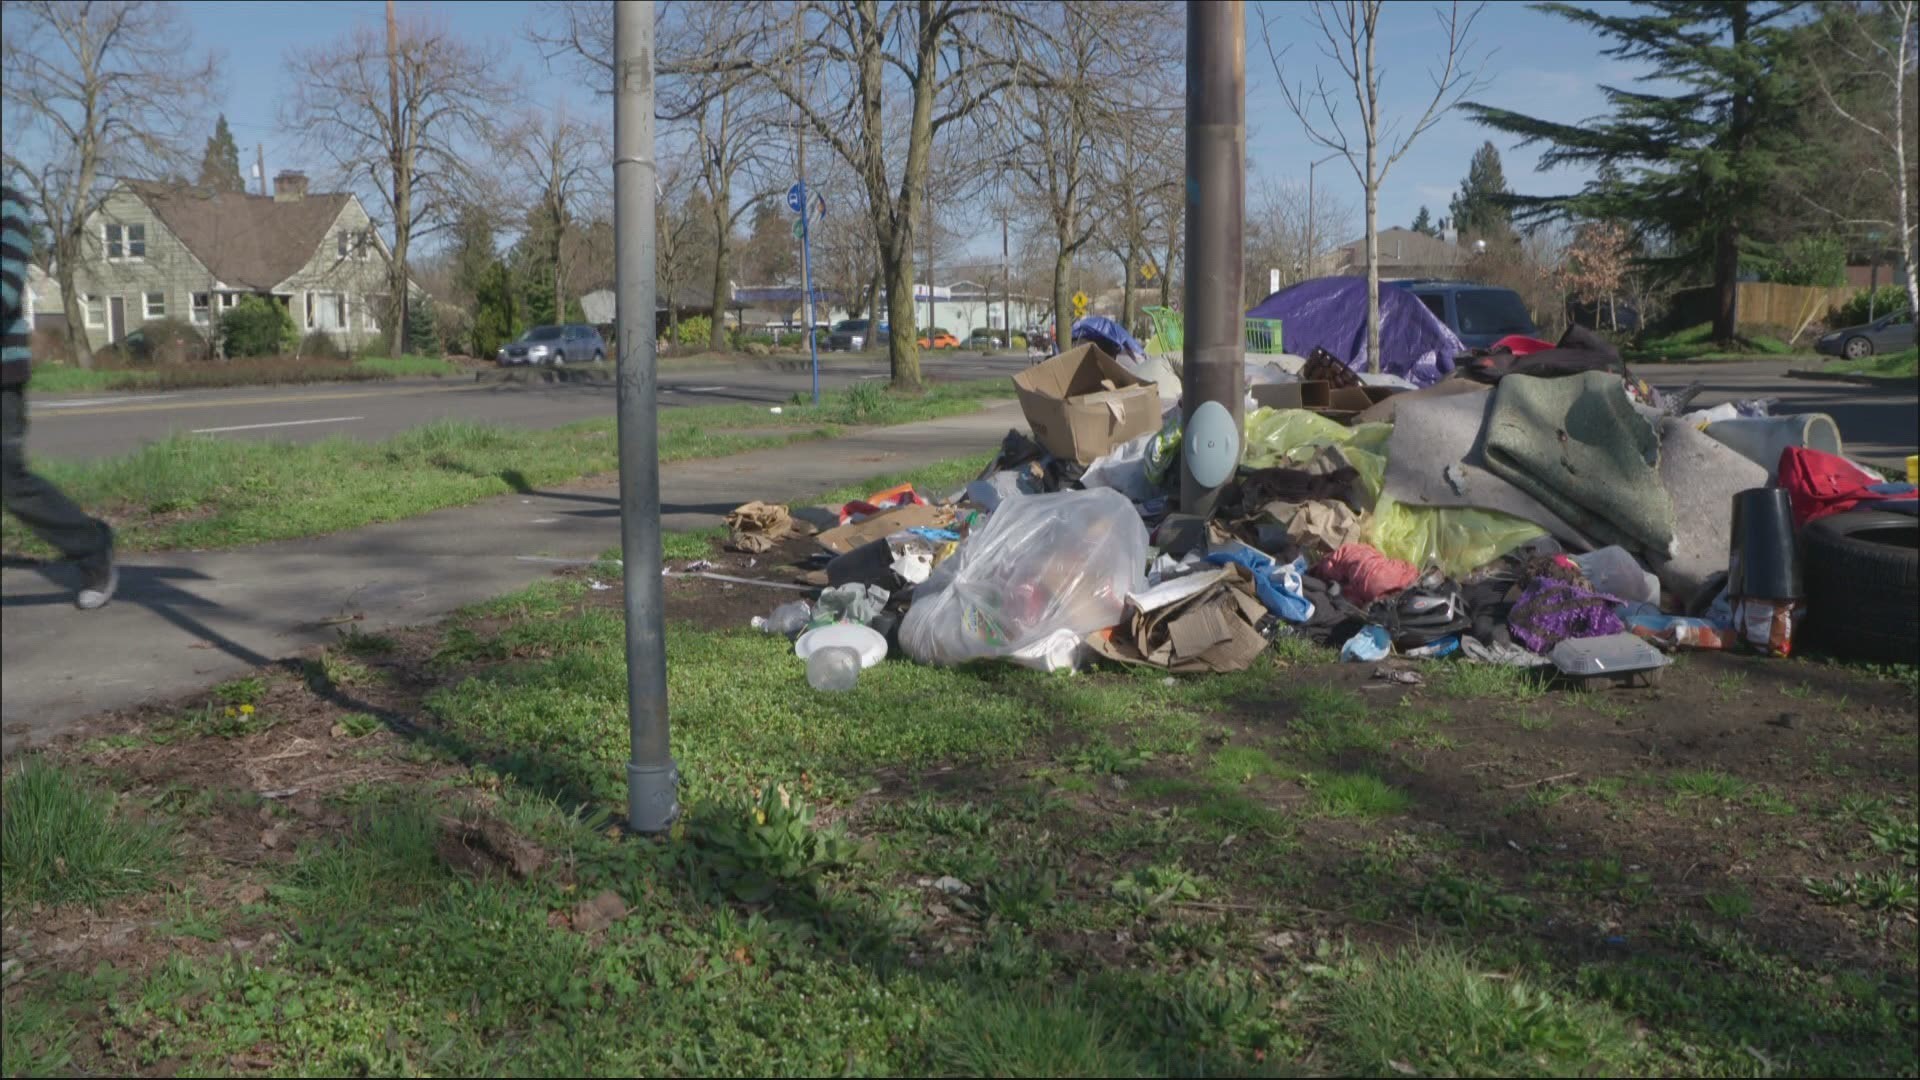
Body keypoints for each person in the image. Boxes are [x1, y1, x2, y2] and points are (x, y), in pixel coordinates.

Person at [2, 183, 116, 609]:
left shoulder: (7, 206)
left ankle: (92, 547)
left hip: (1, 377)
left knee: (9, 482)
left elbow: (6, 289)